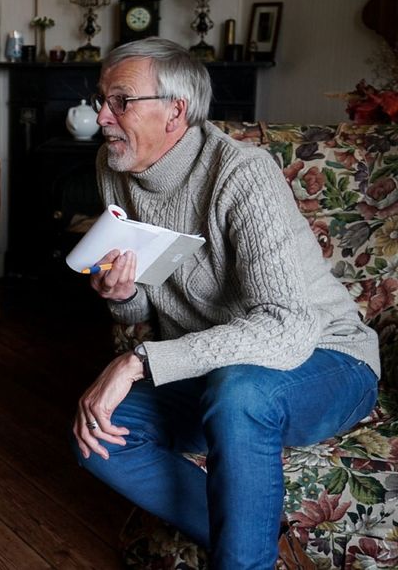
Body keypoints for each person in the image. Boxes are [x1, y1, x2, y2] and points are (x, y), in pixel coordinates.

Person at [71, 37, 380, 569]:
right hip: (214, 371)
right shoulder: (113, 165)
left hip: (327, 360)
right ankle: (264, 543)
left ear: (176, 111)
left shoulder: (240, 173)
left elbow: (286, 326)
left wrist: (139, 361)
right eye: (102, 99)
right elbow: (146, 300)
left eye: (120, 101)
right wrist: (123, 294)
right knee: (100, 434)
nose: (102, 116)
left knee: (240, 390)